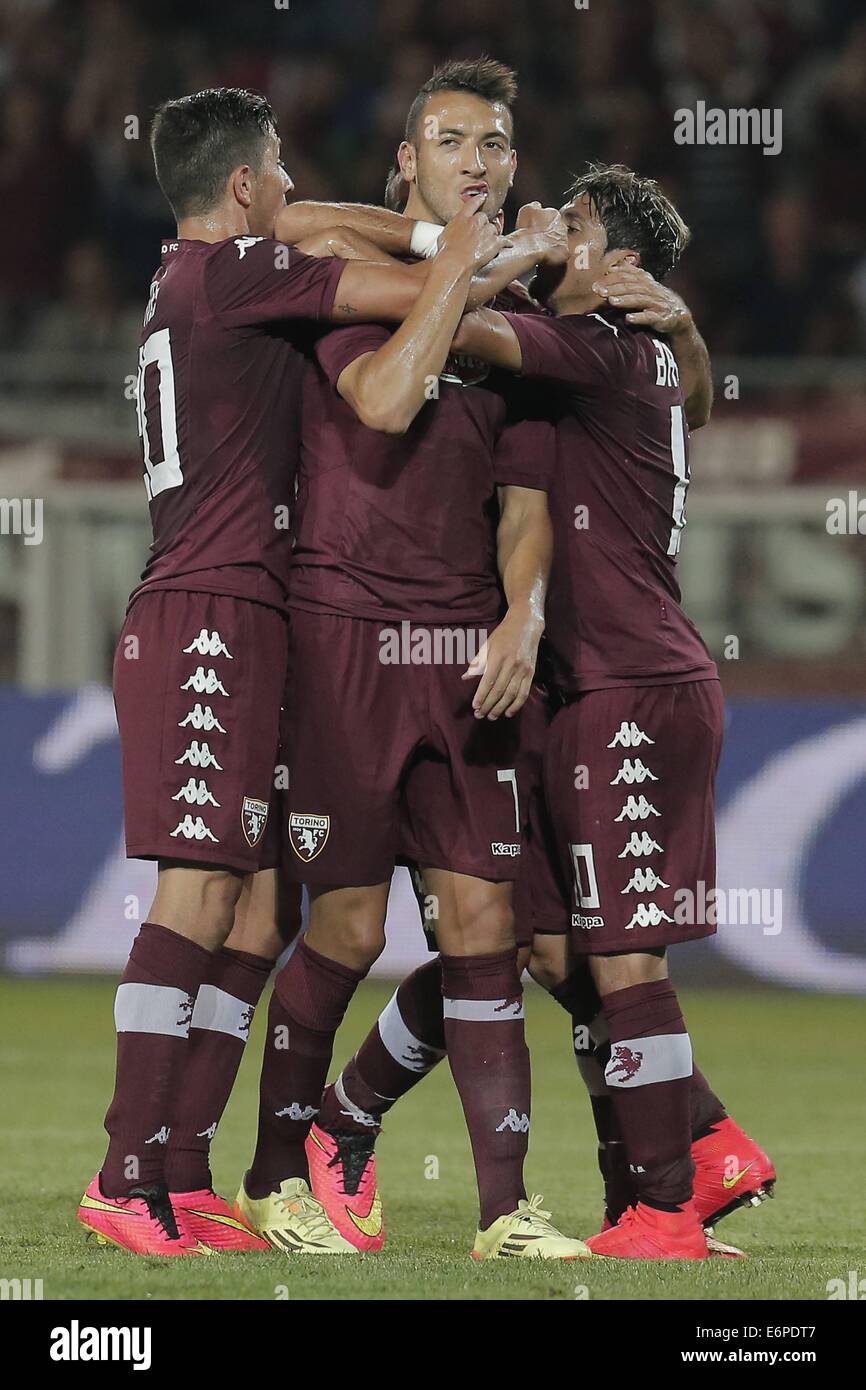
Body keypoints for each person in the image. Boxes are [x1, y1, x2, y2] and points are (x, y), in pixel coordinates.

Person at [77, 84, 516, 1258]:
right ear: (239, 189)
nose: (290, 189)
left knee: (253, 900)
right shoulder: (238, 277)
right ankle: (124, 1174)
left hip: (245, 614)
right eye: (274, 169)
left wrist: (433, 236)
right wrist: (471, 261)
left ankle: (181, 1171)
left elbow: (323, 224)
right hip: (208, 614)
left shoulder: (199, 278)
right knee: (196, 893)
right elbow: (383, 293)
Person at [309, 163, 775, 1261]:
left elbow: (452, 330)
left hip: (621, 688)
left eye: (569, 224)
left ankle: (665, 1203)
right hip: (578, 691)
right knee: (540, 944)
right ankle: (684, 1154)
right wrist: (686, 329)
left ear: (613, 268)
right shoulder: (646, 357)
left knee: (620, 958)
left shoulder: (593, 355)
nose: (544, 227)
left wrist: (466, 249)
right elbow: (692, 397)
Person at [235, 58, 593, 1261]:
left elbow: (528, 505)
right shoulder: (348, 288)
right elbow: (386, 400)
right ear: (410, 165)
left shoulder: (526, 333)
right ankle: (277, 1176)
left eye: (493, 142)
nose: (478, 159)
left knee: (483, 923)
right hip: (342, 637)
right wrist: (456, 259)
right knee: (340, 930)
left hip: (467, 655)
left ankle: (505, 1211)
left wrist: (523, 617)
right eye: (450, 141)